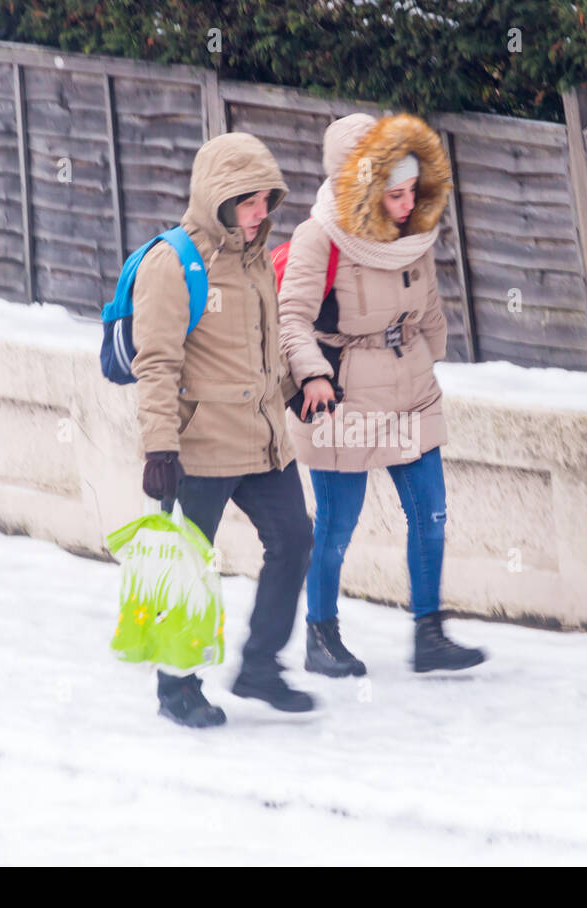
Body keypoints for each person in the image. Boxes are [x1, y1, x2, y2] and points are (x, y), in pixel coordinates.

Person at [277, 113, 487, 677]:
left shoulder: (414, 234)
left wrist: (431, 357)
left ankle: (429, 633)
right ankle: (321, 636)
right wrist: (312, 374)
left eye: (411, 190)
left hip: (410, 388)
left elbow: (432, 307)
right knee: (338, 525)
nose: (405, 203)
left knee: (431, 512)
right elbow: (290, 318)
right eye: (393, 193)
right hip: (343, 394)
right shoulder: (318, 236)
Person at [132, 131, 315, 728]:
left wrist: (298, 390)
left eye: (267, 199)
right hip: (201, 444)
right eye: (249, 200)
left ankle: (261, 665)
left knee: (294, 538)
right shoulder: (173, 261)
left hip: (262, 440)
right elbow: (156, 361)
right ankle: (176, 687)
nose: (262, 213)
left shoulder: (258, 258)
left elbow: (261, 350)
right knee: (189, 563)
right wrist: (159, 446)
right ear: (218, 197)